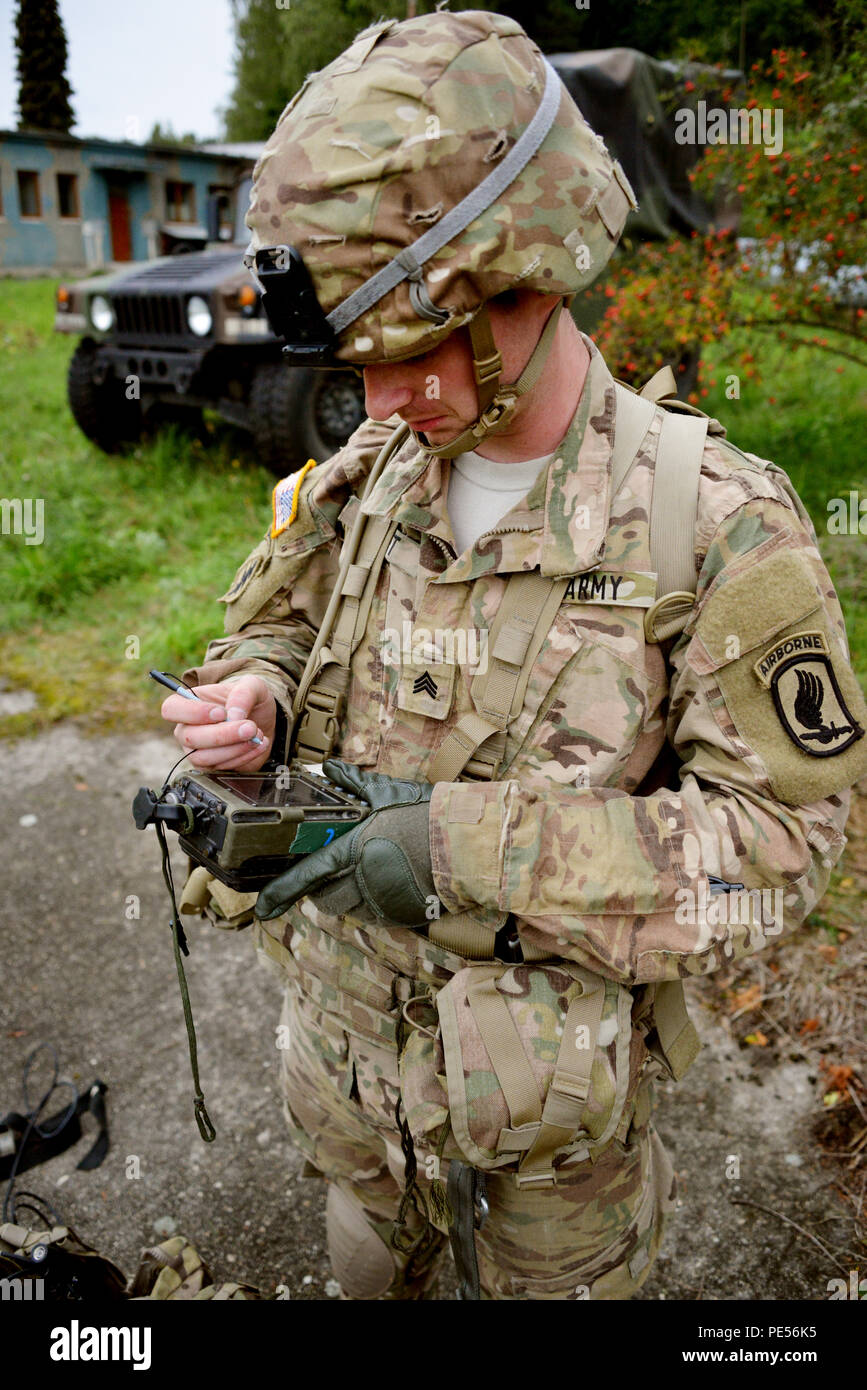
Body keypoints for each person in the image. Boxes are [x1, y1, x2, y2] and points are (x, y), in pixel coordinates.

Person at [160, 9, 867, 1300]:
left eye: (410, 352)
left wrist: (463, 847)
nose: (378, 403)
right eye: (355, 363)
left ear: (525, 270)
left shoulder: (712, 519)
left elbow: (791, 847)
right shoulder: (375, 467)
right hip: (356, 1100)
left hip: (553, 1168)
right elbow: (275, 615)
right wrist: (253, 689)